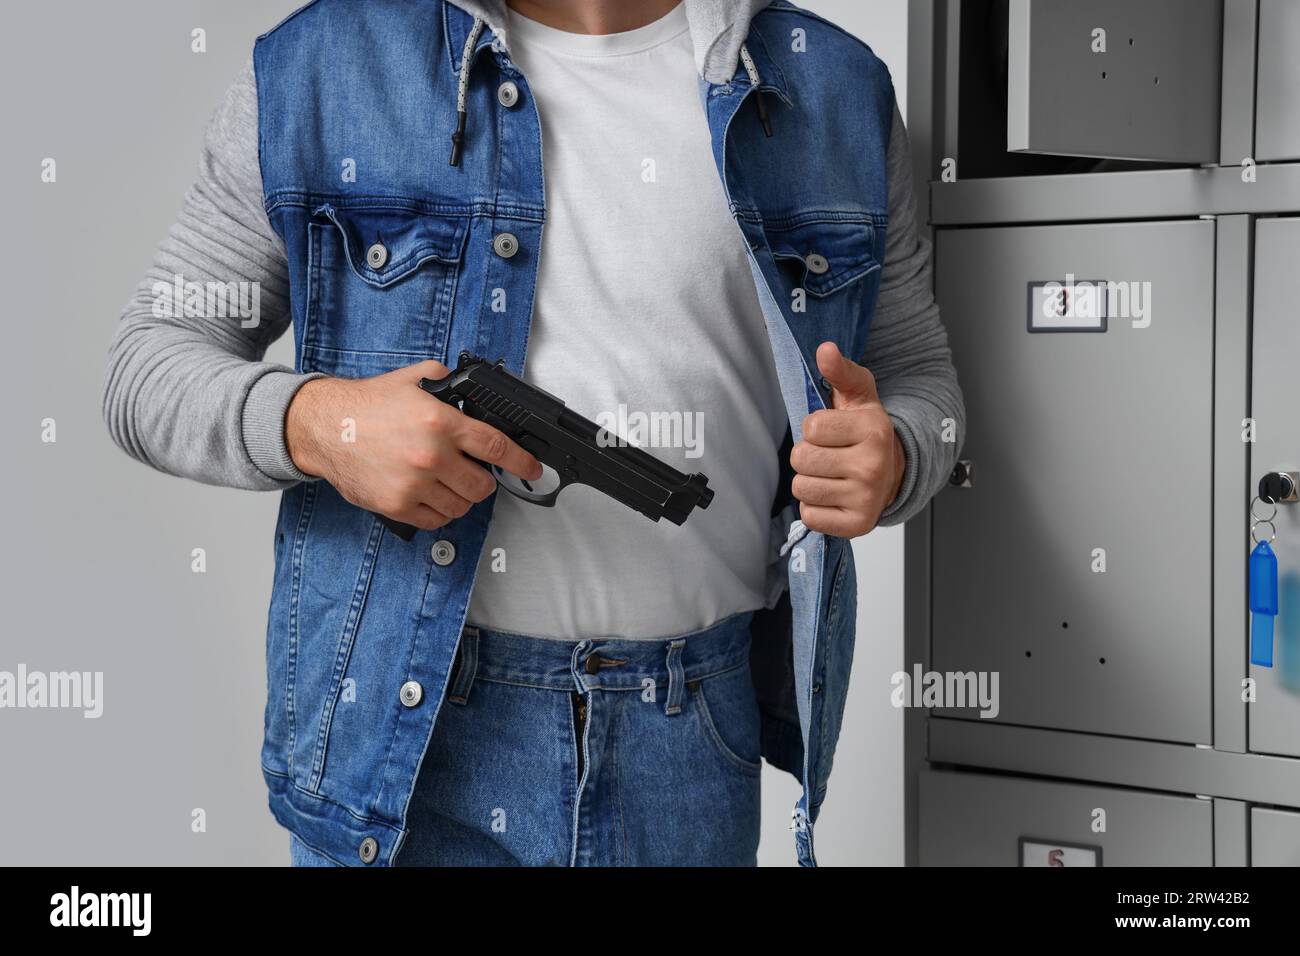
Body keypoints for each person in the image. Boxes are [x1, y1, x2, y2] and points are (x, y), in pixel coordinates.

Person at [103, 0, 964, 866]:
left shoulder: (834, 85)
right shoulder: (319, 65)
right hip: (411, 751)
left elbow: (921, 378)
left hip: (693, 738)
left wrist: (892, 460)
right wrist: (322, 425)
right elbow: (144, 365)